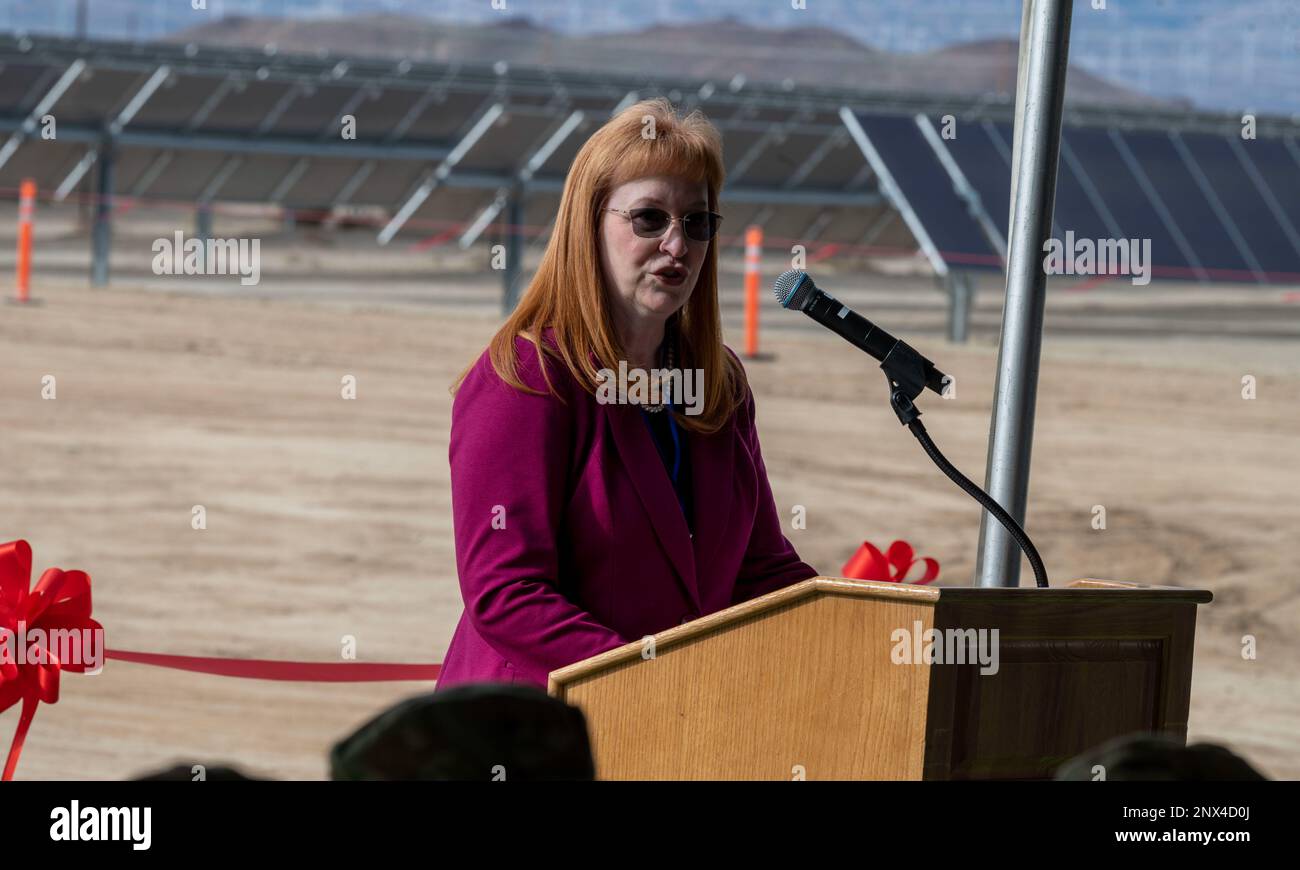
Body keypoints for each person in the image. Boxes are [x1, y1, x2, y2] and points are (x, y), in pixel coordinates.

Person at [436, 97, 818, 691]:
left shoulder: (719, 386)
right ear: (589, 226)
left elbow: (761, 570)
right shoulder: (525, 378)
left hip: (672, 727)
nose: (677, 245)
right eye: (649, 219)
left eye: (697, 222)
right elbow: (507, 594)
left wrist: (860, 627)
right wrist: (652, 678)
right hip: (536, 734)